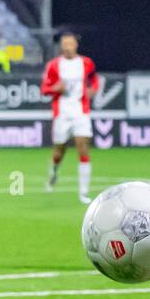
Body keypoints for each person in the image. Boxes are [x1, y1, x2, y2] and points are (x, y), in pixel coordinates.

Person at [41, 32, 99, 203]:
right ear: (61, 46)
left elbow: (94, 80)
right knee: (60, 150)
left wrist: (92, 90)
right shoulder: (53, 65)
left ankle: (84, 193)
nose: (67, 47)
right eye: (64, 44)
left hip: (81, 112)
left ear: (76, 45)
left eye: (70, 43)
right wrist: (55, 89)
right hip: (62, 114)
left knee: (83, 147)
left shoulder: (86, 63)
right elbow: (44, 89)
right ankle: (53, 172)